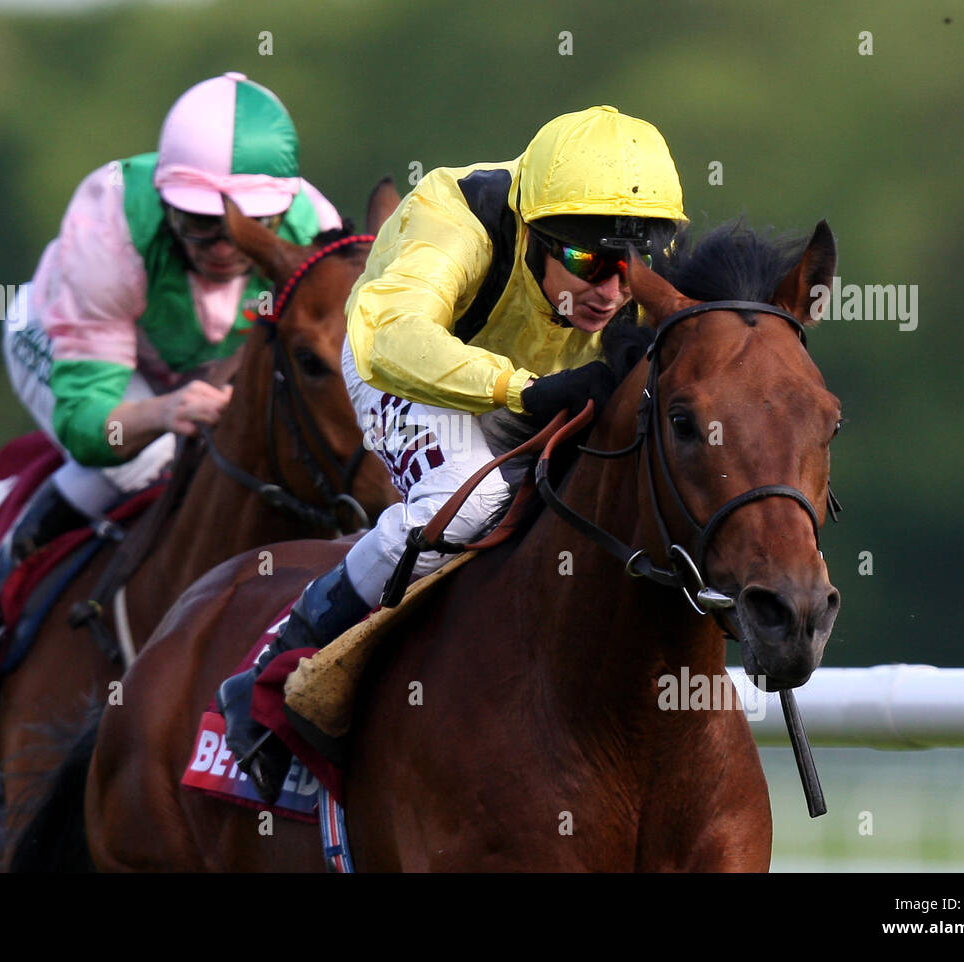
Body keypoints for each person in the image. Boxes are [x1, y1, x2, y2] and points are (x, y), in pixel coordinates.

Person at [216, 105, 688, 801]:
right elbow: (393, 337)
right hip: (400, 369)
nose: (613, 292)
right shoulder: (451, 213)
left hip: (527, 383)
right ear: (532, 231)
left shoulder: (600, 264)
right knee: (469, 506)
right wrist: (525, 390)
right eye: (589, 263)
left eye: (628, 264)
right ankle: (281, 658)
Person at [0, 72, 342, 708]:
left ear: (279, 209)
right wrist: (163, 408)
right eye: (200, 222)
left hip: (200, 358)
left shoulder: (314, 227)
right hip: (69, 346)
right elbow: (89, 425)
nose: (223, 248)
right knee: (145, 461)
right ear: (165, 197)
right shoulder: (109, 227)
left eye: (246, 226)